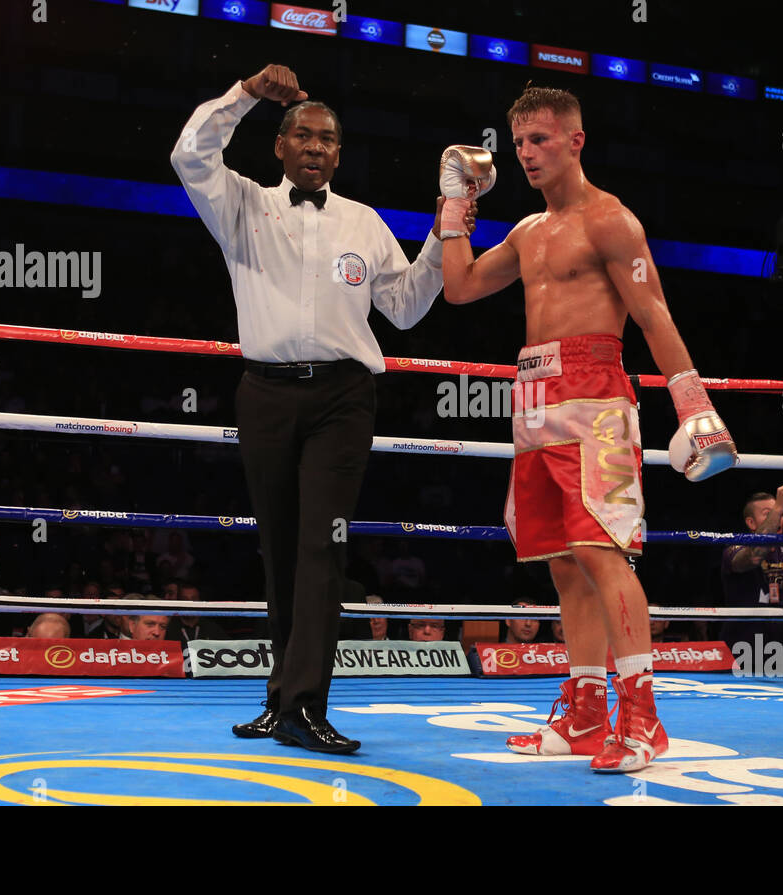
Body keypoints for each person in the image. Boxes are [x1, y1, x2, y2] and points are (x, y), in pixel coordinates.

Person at [173, 63, 467, 755]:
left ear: (338, 152)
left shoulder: (363, 222)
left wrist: (439, 235)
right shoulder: (242, 205)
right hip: (266, 392)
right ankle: (282, 699)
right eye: (302, 134)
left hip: (342, 397)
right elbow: (188, 153)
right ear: (279, 145)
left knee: (321, 545)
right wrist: (245, 94)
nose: (314, 147)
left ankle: (306, 703)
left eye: (327, 139)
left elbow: (404, 306)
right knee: (278, 549)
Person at [440, 86, 736, 773]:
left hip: (597, 397)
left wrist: (695, 405)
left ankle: (642, 718)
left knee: (605, 556)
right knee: (566, 567)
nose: (526, 154)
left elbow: (655, 313)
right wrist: (454, 201)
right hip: (534, 399)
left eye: (539, 140)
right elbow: (458, 287)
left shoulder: (611, 221)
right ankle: (582, 712)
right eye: (518, 145)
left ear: (575, 140)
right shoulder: (526, 232)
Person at [720, 486, 783, 653]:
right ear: (751, 523)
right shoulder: (734, 549)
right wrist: (777, 508)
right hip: (740, 651)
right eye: (768, 513)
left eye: (780, 512)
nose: (778, 518)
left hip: (782, 653)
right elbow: (755, 556)